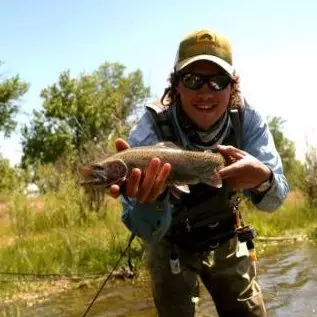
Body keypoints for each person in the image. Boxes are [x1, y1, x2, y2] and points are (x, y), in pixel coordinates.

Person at [109, 28, 289, 317]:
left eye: (218, 81)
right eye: (193, 80)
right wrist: (150, 201)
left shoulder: (248, 121)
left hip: (227, 236)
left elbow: (276, 198)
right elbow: (144, 230)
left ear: (233, 87)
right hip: (171, 245)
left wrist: (263, 180)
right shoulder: (149, 130)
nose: (206, 92)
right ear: (176, 84)